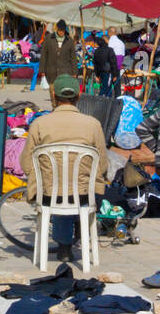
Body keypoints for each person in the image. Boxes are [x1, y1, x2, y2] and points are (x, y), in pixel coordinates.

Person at [19, 76, 115, 262]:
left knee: (58, 190)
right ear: (78, 96)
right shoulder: (93, 124)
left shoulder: (39, 124)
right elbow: (102, 165)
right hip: (83, 193)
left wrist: (41, 176)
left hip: (50, 193)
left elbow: (26, 163)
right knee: (78, 190)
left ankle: (64, 247)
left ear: (54, 96)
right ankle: (77, 234)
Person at [39, 20, 77, 91]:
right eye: (60, 30)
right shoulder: (48, 39)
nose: (61, 32)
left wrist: (74, 73)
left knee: (62, 96)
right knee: (53, 95)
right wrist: (42, 71)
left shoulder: (69, 41)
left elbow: (73, 58)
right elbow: (44, 55)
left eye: (63, 30)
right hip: (51, 72)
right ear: (57, 29)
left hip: (65, 73)